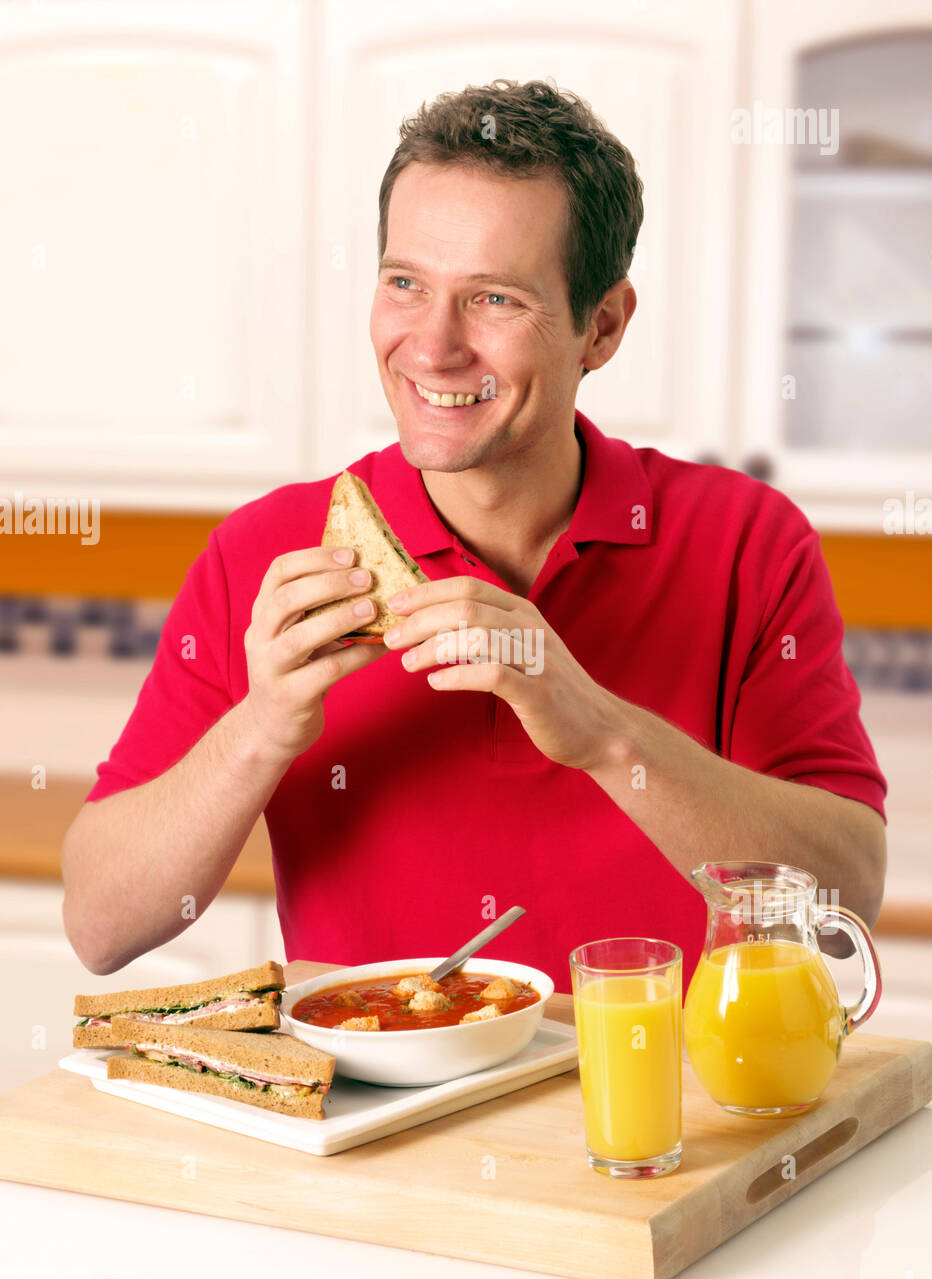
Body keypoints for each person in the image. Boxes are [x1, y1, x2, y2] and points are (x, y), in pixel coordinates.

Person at [62, 79, 886, 994]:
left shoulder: (746, 542)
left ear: (601, 326)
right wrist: (262, 730)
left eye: (494, 300)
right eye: (406, 284)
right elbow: (99, 927)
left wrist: (602, 733)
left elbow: (847, 895)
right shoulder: (272, 556)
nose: (434, 346)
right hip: (377, 1120)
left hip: (664, 1120)